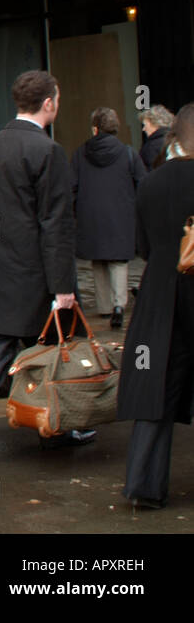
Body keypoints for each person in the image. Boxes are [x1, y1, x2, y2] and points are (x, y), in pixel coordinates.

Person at [0, 70, 91, 463]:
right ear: (49, 103)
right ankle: (53, 426)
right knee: (50, 350)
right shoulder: (47, 151)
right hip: (34, 274)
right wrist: (62, 287)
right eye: (57, 98)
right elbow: (56, 223)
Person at [118, 103, 194, 509]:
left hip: (161, 294)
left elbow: (142, 248)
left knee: (157, 390)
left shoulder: (150, 183)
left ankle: (143, 485)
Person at [71, 106, 146, 329]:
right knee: (118, 262)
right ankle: (119, 306)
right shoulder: (129, 153)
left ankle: (103, 308)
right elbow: (142, 183)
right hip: (121, 217)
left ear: (95, 129)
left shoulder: (80, 154)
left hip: (91, 217)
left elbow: (71, 186)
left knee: (98, 261)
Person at [139, 105, 175, 171]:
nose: (143, 129)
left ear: (154, 123)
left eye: (145, 125)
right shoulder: (176, 140)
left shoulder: (151, 146)